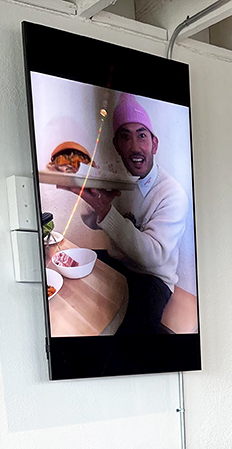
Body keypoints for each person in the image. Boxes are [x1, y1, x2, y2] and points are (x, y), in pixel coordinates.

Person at [75, 93, 190, 335]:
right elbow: (96, 222)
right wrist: (91, 205)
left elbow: (154, 256)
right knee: (77, 269)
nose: (135, 147)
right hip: (120, 264)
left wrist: (106, 212)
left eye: (142, 136)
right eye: (125, 137)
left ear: (154, 143)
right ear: (117, 145)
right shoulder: (122, 183)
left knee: (130, 342)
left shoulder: (173, 193)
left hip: (153, 280)